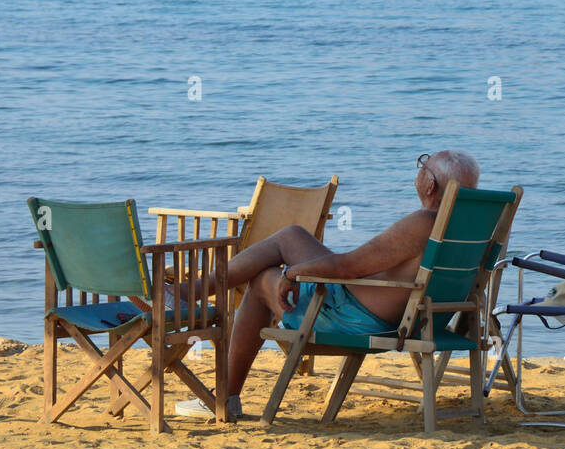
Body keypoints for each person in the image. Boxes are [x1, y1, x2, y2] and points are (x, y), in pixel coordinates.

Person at [175, 148, 480, 420]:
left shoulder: (423, 222)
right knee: (291, 236)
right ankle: (189, 294)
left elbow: (347, 267)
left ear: (431, 185)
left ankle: (224, 397)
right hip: (412, 316)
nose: (419, 170)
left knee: (261, 282)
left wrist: (290, 275)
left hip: (357, 319)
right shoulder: (469, 226)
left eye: (423, 166)